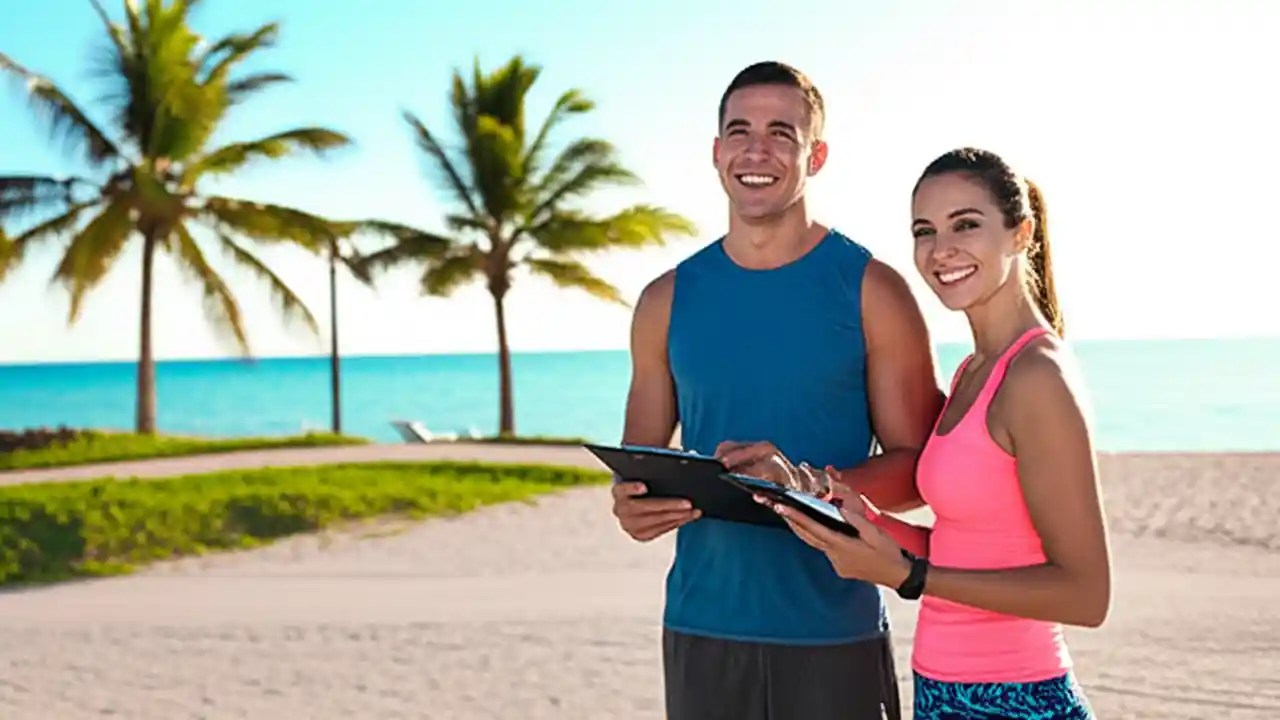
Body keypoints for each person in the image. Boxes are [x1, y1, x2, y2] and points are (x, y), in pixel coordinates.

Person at [610, 60, 945, 720]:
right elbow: (639, 469)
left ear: (814, 155)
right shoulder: (664, 300)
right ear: (716, 152)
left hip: (832, 629)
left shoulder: (873, 290)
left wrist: (800, 484)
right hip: (702, 629)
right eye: (739, 131)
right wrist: (632, 509)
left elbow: (919, 472)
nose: (756, 151)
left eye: (781, 133)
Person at [757, 147, 1112, 719]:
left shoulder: (1037, 376)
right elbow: (970, 548)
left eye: (965, 225)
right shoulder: (975, 370)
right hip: (943, 689)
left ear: (1021, 234)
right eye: (924, 231)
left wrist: (909, 576)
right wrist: (867, 522)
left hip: (1017, 701)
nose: (940, 249)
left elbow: (1086, 594)